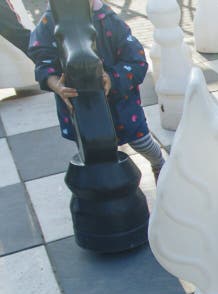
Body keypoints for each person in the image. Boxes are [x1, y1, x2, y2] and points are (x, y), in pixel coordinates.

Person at [27, 0, 165, 178]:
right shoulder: (49, 23)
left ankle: (158, 163)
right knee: (93, 151)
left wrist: (113, 78)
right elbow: (42, 60)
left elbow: (136, 60)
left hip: (121, 104)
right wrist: (57, 85)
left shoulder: (109, 21)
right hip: (82, 107)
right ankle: (106, 184)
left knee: (141, 142)